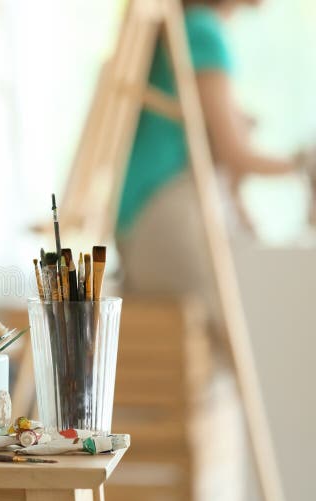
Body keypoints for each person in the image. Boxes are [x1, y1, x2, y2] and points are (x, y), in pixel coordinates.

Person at [116, 0, 316, 325]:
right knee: (246, 330)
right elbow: (235, 152)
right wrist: (302, 164)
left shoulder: (187, 28)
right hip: (163, 219)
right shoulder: (202, 31)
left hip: (139, 220)